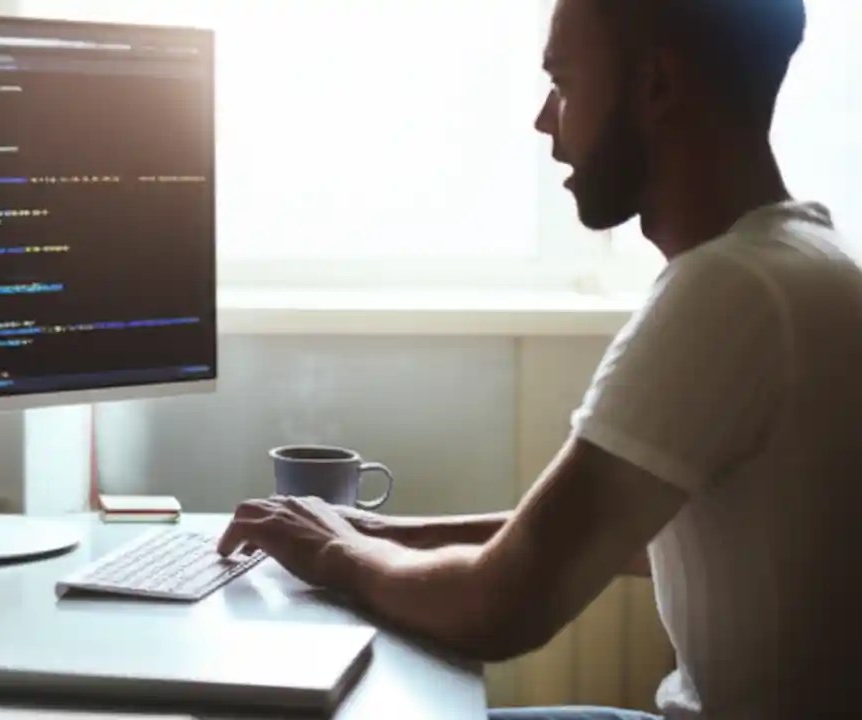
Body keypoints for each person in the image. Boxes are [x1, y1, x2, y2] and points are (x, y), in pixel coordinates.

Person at [219, 0, 860, 718]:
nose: (546, 121)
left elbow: (502, 606)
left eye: (564, 82)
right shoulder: (806, 260)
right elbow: (623, 537)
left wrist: (335, 558)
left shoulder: (728, 291)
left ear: (657, 85)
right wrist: (385, 533)